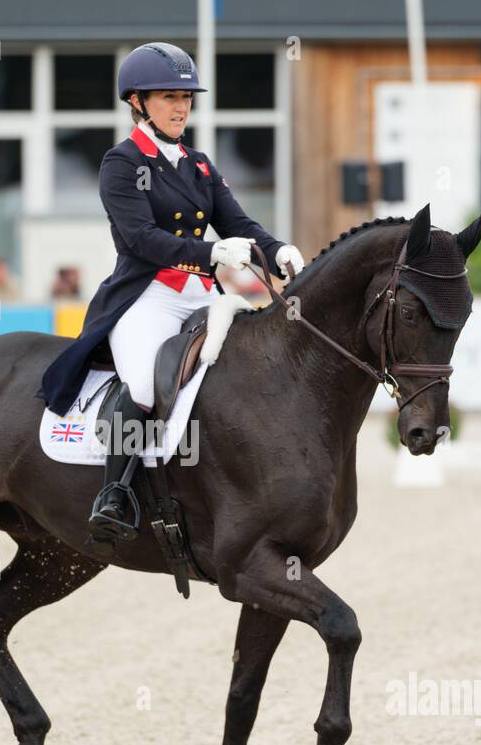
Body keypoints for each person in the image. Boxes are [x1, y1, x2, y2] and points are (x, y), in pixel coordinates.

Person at [37, 41, 303, 543]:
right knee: (142, 385)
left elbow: (237, 223)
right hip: (148, 296)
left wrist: (279, 249)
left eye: (187, 98)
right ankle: (114, 493)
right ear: (137, 102)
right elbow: (140, 238)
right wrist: (209, 255)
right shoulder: (121, 163)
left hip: (203, 295)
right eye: (167, 97)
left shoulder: (199, 165)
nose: (181, 108)